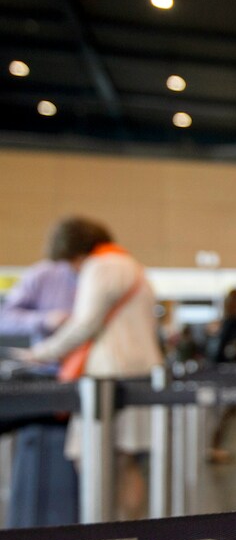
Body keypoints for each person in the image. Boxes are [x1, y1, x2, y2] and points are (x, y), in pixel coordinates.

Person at [18, 217, 163, 521]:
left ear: (76, 253)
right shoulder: (130, 265)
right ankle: (128, 535)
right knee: (125, 461)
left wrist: (39, 353)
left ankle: (105, 536)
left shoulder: (101, 267)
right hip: (139, 372)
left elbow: (84, 323)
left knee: (89, 456)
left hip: (107, 375)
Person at [0, 231, 80, 528]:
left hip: (84, 384)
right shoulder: (43, 275)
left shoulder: (98, 277)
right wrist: (44, 321)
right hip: (44, 379)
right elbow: (5, 317)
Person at [207, 288, 236, 462]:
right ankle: (215, 447)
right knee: (228, 411)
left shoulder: (229, 321)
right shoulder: (235, 321)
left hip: (230, 371)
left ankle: (217, 447)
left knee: (232, 411)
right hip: (231, 373)